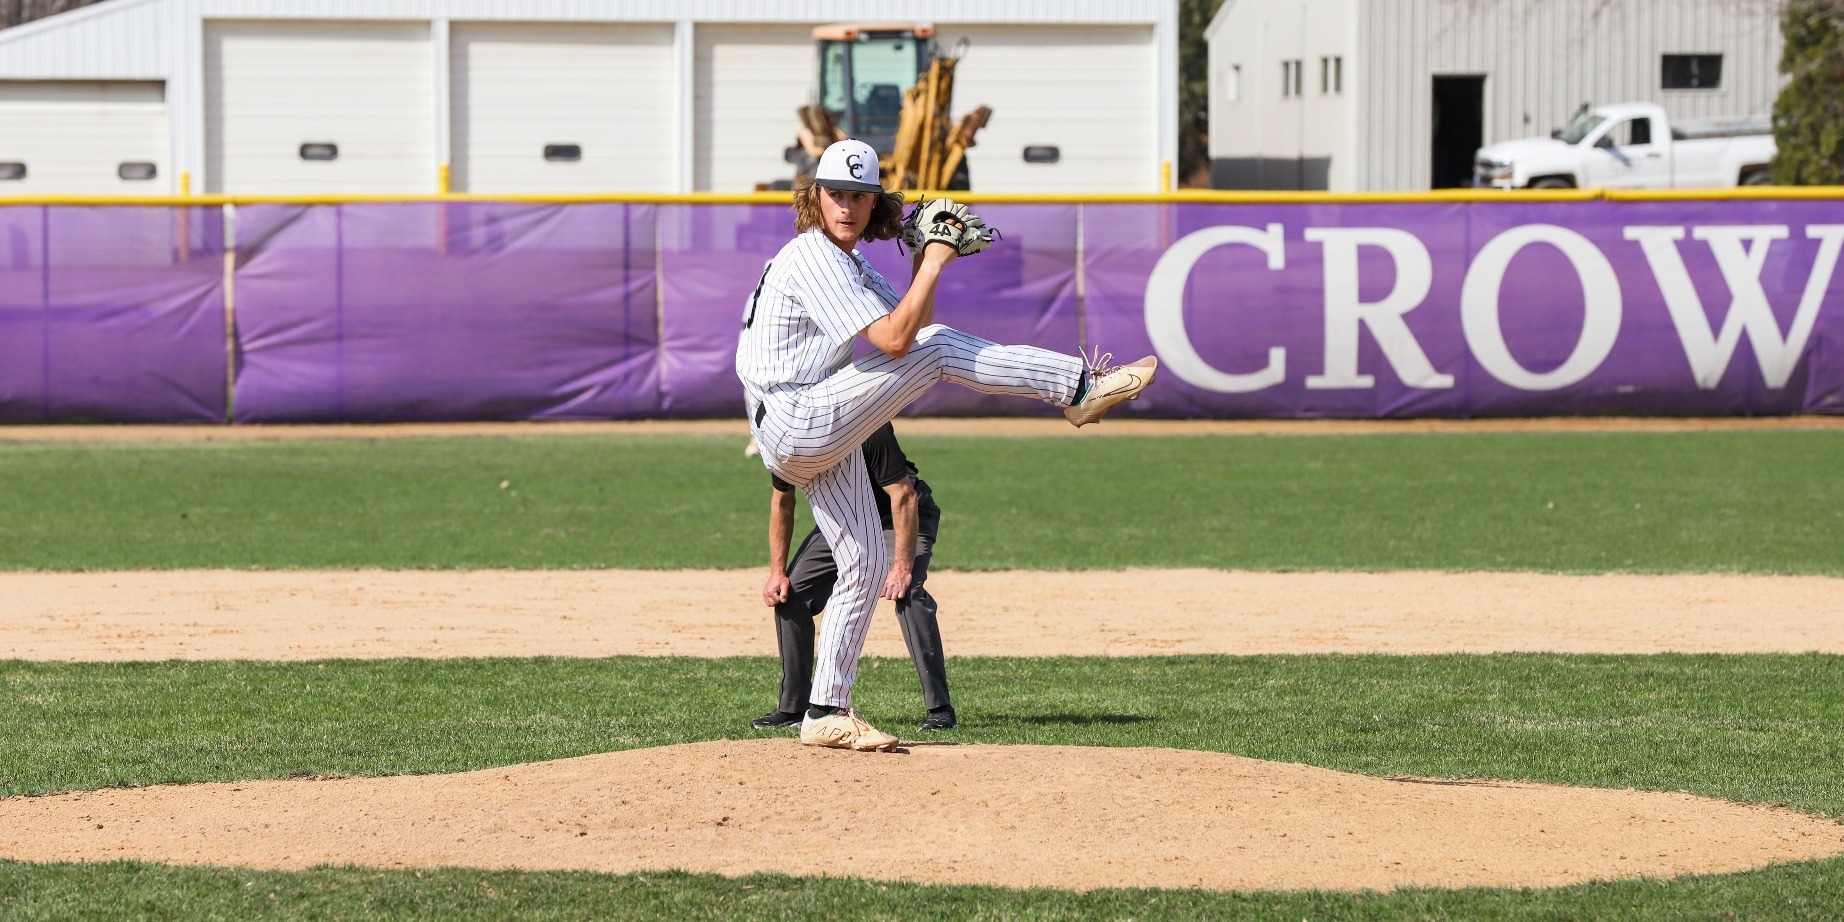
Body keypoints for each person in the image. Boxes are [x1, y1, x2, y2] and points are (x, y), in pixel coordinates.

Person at [735, 137, 1156, 752]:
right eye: (835, 194)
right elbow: (903, 343)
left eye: (860, 195)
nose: (847, 206)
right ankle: (1077, 387)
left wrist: (930, 263)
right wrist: (932, 256)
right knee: (935, 349)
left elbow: (909, 319)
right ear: (815, 198)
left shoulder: (848, 264)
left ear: (875, 203)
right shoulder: (814, 256)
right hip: (797, 416)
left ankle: (826, 709)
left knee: (864, 560)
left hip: (804, 426)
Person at [752, 423, 956, 734]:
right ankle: (792, 707)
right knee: (791, 592)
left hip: (896, 518)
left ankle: (940, 709)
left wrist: (901, 568)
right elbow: (783, 501)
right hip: (846, 521)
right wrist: (777, 572)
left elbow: (904, 497)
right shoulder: (792, 441)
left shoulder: (867, 426)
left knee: (908, 592)